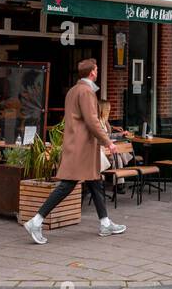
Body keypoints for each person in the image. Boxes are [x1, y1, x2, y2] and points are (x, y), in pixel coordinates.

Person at [22, 59, 125, 245]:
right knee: (67, 185)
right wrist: (108, 142)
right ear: (92, 73)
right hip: (82, 147)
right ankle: (36, 221)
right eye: (96, 69)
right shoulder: (87, 92)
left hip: (76, 144)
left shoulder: (73, 91)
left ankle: (105, 222)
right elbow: (92, 121)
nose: (97, 71)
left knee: (95, 183)